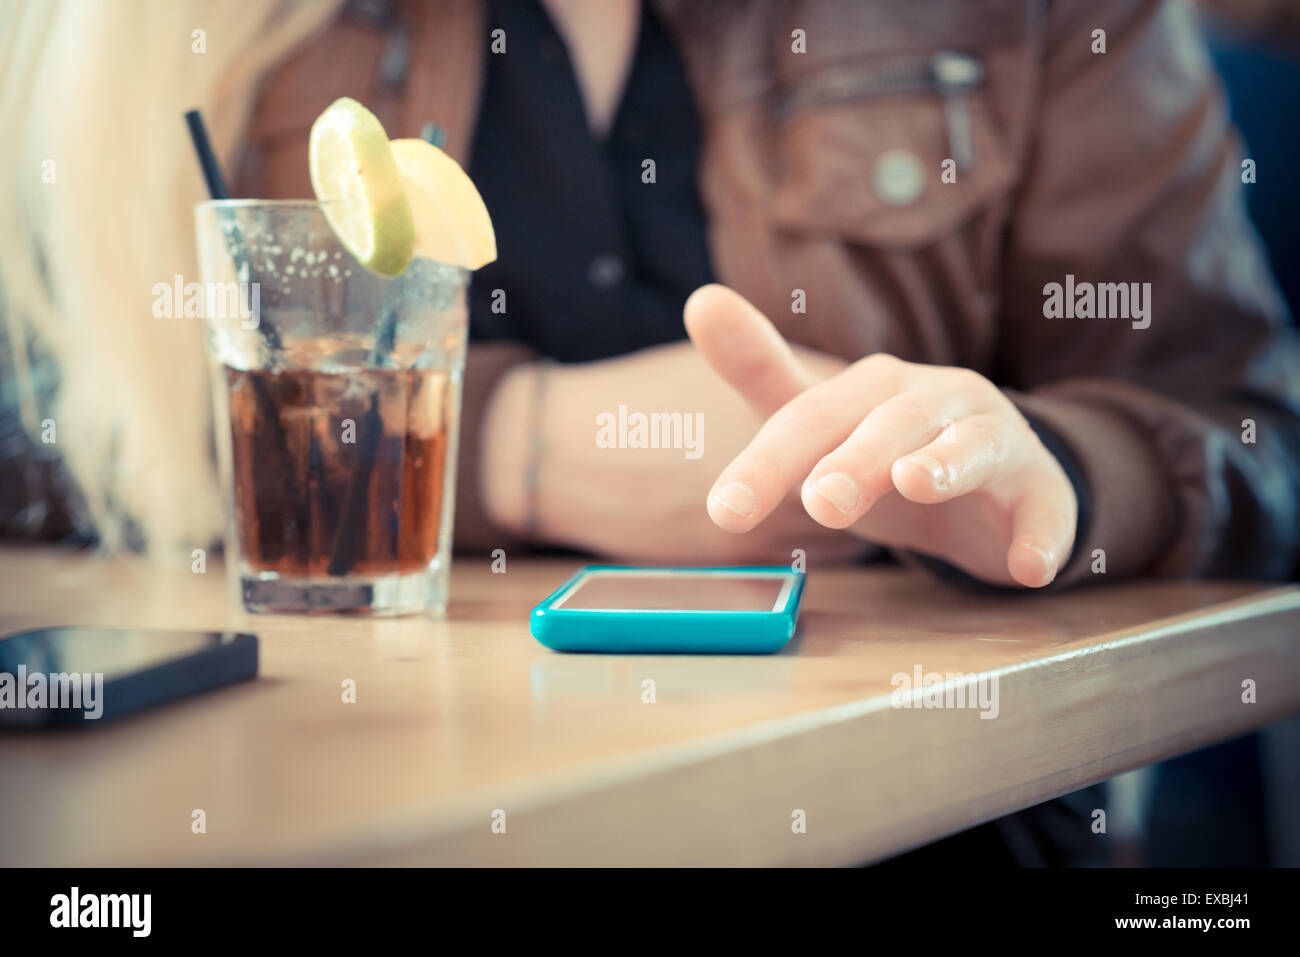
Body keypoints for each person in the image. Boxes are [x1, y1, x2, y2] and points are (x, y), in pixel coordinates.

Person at [3, 0, 1294, 867]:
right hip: (350, 805)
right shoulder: (192, 38)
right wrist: (519, 442)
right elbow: (60, 434)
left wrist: (1055, 478)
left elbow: (1257, 427)